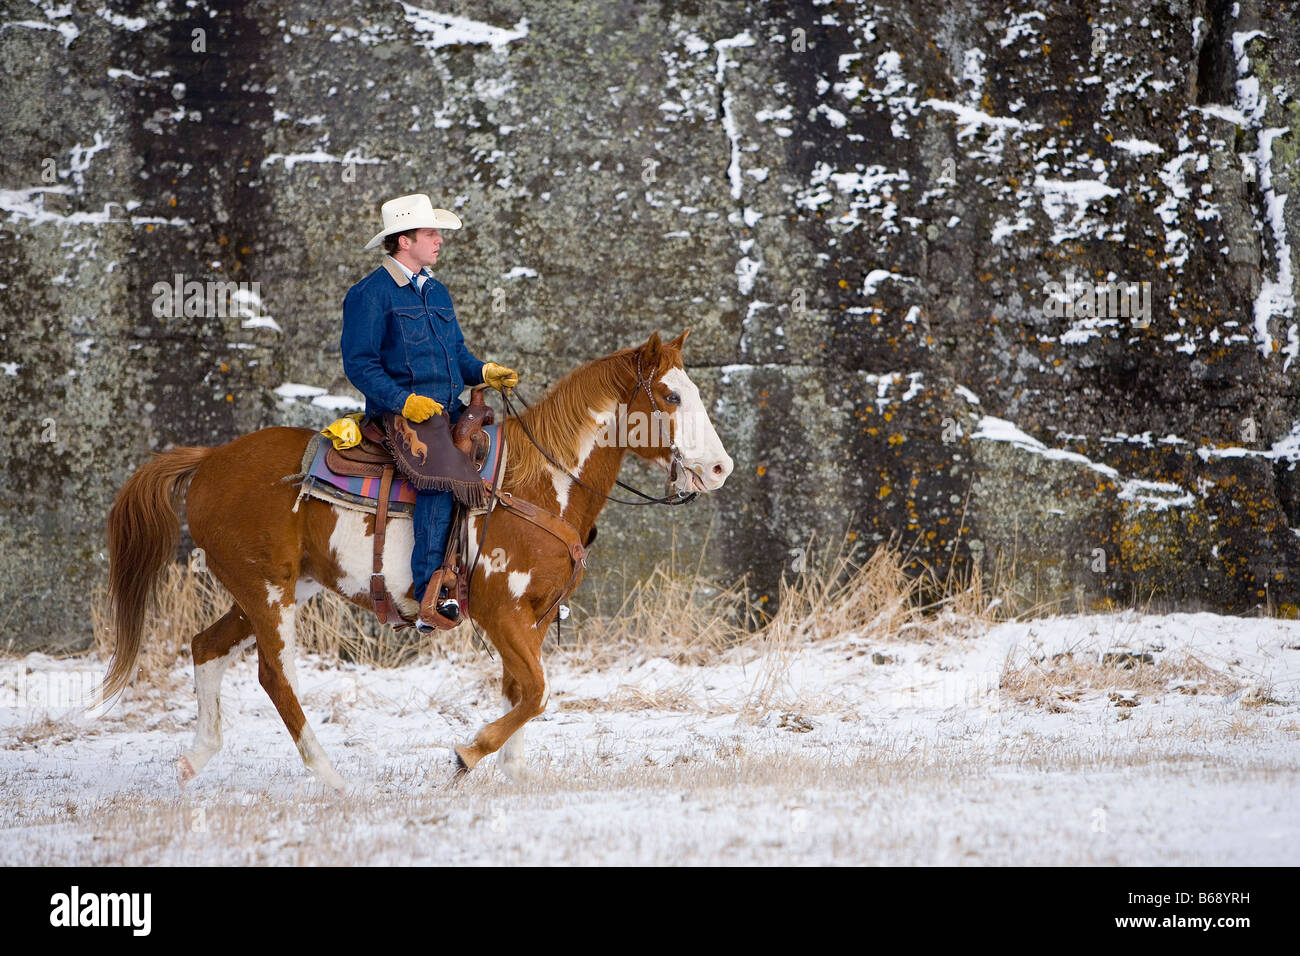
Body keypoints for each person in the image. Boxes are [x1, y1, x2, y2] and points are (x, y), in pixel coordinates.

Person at [341, 193, 518, 630]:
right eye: (430, 233)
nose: (439, 240)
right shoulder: (370, 294)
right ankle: (429, 594)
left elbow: (456, 353)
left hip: (446, 409)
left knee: (505, 457)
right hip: (402, 414)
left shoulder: (436, 290)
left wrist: (483, 370)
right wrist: (403, 401)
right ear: (404, 241)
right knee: (440, 479)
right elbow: (359, 363)